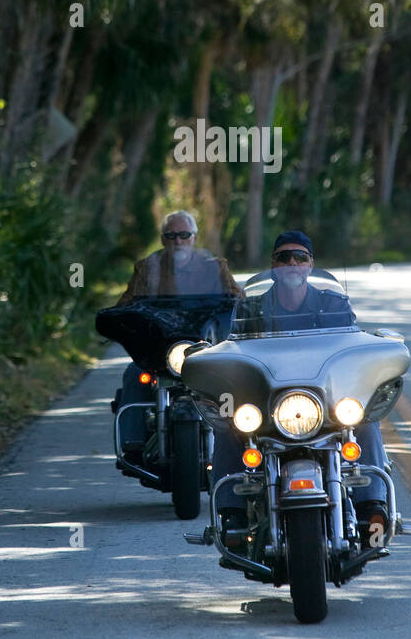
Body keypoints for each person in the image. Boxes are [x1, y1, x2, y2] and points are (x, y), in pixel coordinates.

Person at [213, 230, 392, 548]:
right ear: (273, 265)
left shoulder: (333, 303)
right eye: (284, 257)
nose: (292, 263)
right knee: (229, 423)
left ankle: (372, 508)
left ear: (311, 264)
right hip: (269, 404)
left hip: (322, 402)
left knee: (364, 419)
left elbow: (351, 347)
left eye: (300, 257)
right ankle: (232, 516)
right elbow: (234, 352)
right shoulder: (251, 309)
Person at [114, 211, 240, 464]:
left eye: (184, 235)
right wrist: (120, 320)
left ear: (194, 238)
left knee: (238, 375)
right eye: (171, 236)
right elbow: (126, 303)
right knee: (133, 374)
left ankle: (243, 438)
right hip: (161, 351)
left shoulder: (214, 267)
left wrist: (245, 315)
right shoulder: (147, 268)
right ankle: (133, 443)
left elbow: (239, 300)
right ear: (163, 239)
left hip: (207, 348)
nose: (178, 241)